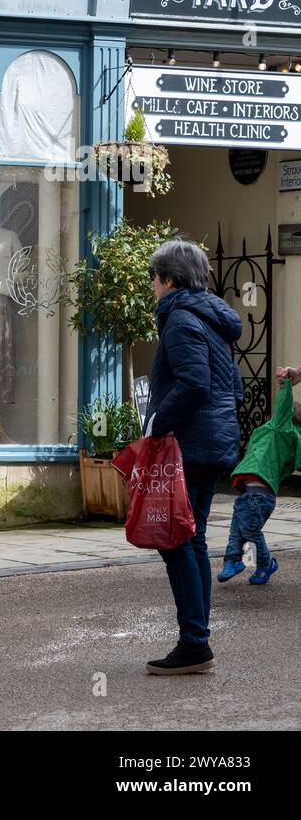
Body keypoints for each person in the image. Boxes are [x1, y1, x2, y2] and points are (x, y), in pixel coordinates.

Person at [143, 240, 243, 676]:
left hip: (191, 444)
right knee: (193, 536)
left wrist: (156, 424)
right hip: (213, 440)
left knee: (176, 539)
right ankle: (197, 639)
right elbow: (228, 385)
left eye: (154, 277)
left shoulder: (181, 319)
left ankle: (194, 642)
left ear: (169, 279)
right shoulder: (212, 317)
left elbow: (194, 385)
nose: (151, 286)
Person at [216, 381, 296, 586]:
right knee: (237, 529)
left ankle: (264, 563)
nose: (271, 417)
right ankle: (231, 560)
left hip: (259, 495)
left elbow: (285, 406)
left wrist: (286, 384)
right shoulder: (275, 435)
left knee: (250, 530)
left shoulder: (281, 431)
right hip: (252, 494)